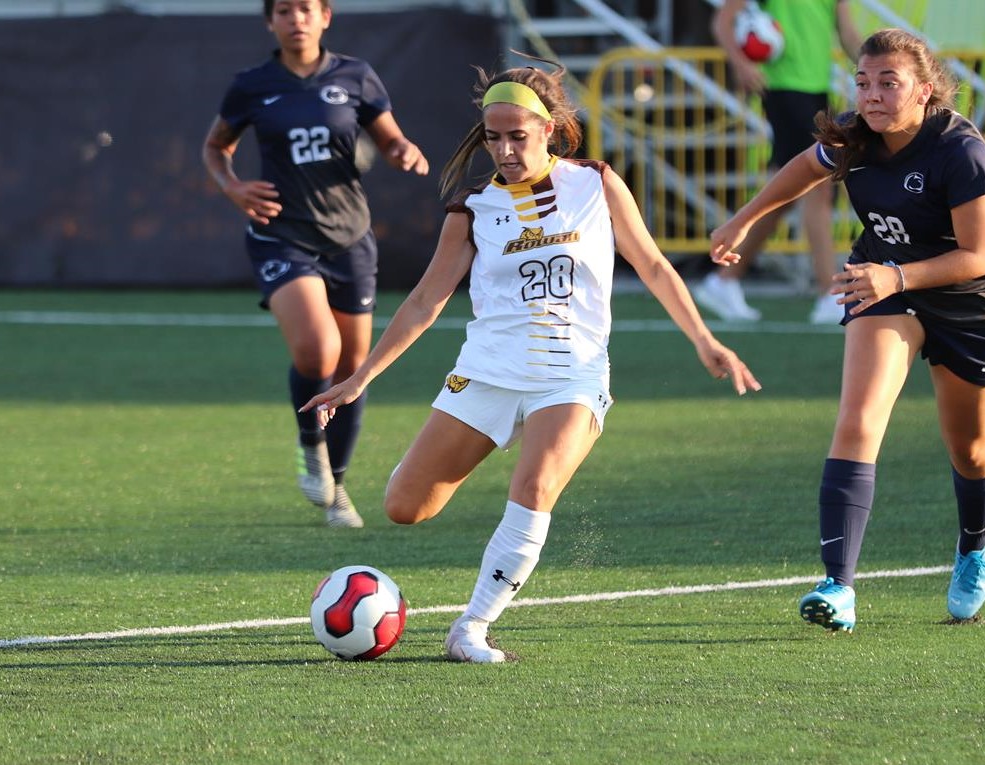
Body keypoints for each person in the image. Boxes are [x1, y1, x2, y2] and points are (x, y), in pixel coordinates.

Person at [302, 59, 762, 661]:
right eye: (494, 137)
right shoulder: (473, 207)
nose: (505, 149)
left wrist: (704, 339)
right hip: (488, 371)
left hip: (571, 374)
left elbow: (651, 263)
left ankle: (471, 628)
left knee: (536, 485)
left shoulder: (595, 183)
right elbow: (424, 301)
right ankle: (490, 485)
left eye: (518, 135)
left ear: (550, 129)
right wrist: (361, 378)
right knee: (404, 507)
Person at [710, 28, 985, 631]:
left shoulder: (960, 151)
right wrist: (744, 220)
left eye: (888, 82)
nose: (872, 95)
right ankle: (839, 585)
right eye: (862, 81)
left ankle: (975, 546)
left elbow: (978, 256)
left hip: (969, 299)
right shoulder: (853, 134)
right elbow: (804, 168)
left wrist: (897, 277)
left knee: (971, 445)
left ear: (924, 91)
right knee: (857, 420)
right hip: (882, 284)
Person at [201, 0, 429, 528]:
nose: (295, 18)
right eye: (284, 10)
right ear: (270, 22)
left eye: (305, 8)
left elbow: (389, 136)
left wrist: (401, 151)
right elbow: (215, 148)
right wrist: (232, 187)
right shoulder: (252, 84)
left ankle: (339, 485)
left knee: (354, 369)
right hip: (280, 235)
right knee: (317, 348)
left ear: (326, 17)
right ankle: (311, 445)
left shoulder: (356, 76)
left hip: (348, 237)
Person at [703, 0, 863, 323]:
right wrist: (741, 63)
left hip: (817, 88)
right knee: (819, 182)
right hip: (784, 88)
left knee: (783, 193)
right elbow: (723, 20)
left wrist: (881, 67)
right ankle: (828, 294)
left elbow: (846, 32)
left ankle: (724, 280)